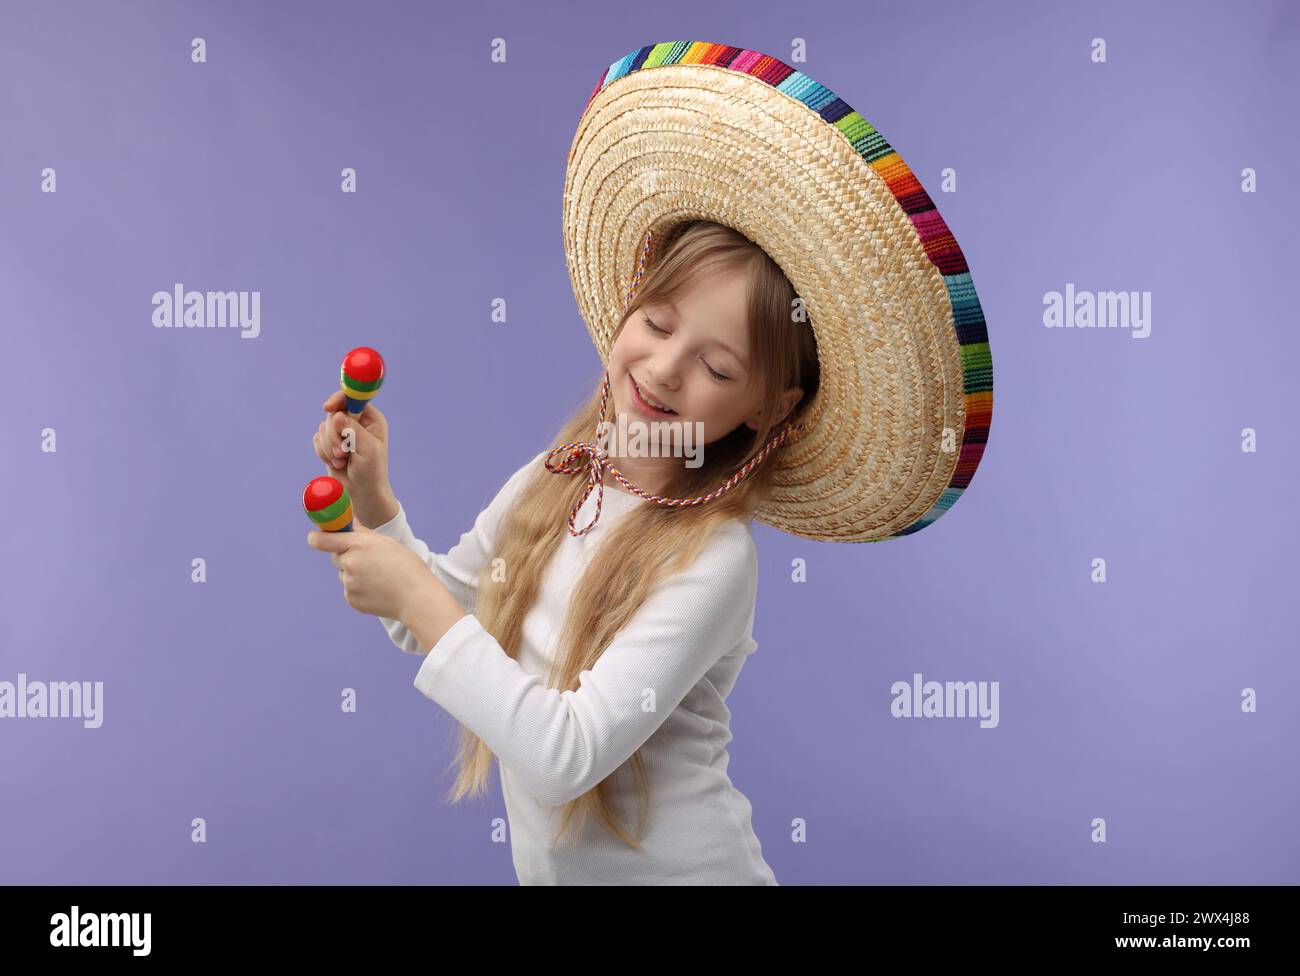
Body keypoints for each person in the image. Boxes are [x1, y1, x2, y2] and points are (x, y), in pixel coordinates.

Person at [306, 41, 994, 885]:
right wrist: (377, 504)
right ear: (628, 307)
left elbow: (565, 756)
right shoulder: (557, 475)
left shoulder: (713, 559)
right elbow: (447, 618)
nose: (667, 370)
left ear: (769, 408)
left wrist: (416, 597)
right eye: (659, 324)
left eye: (718, 368)